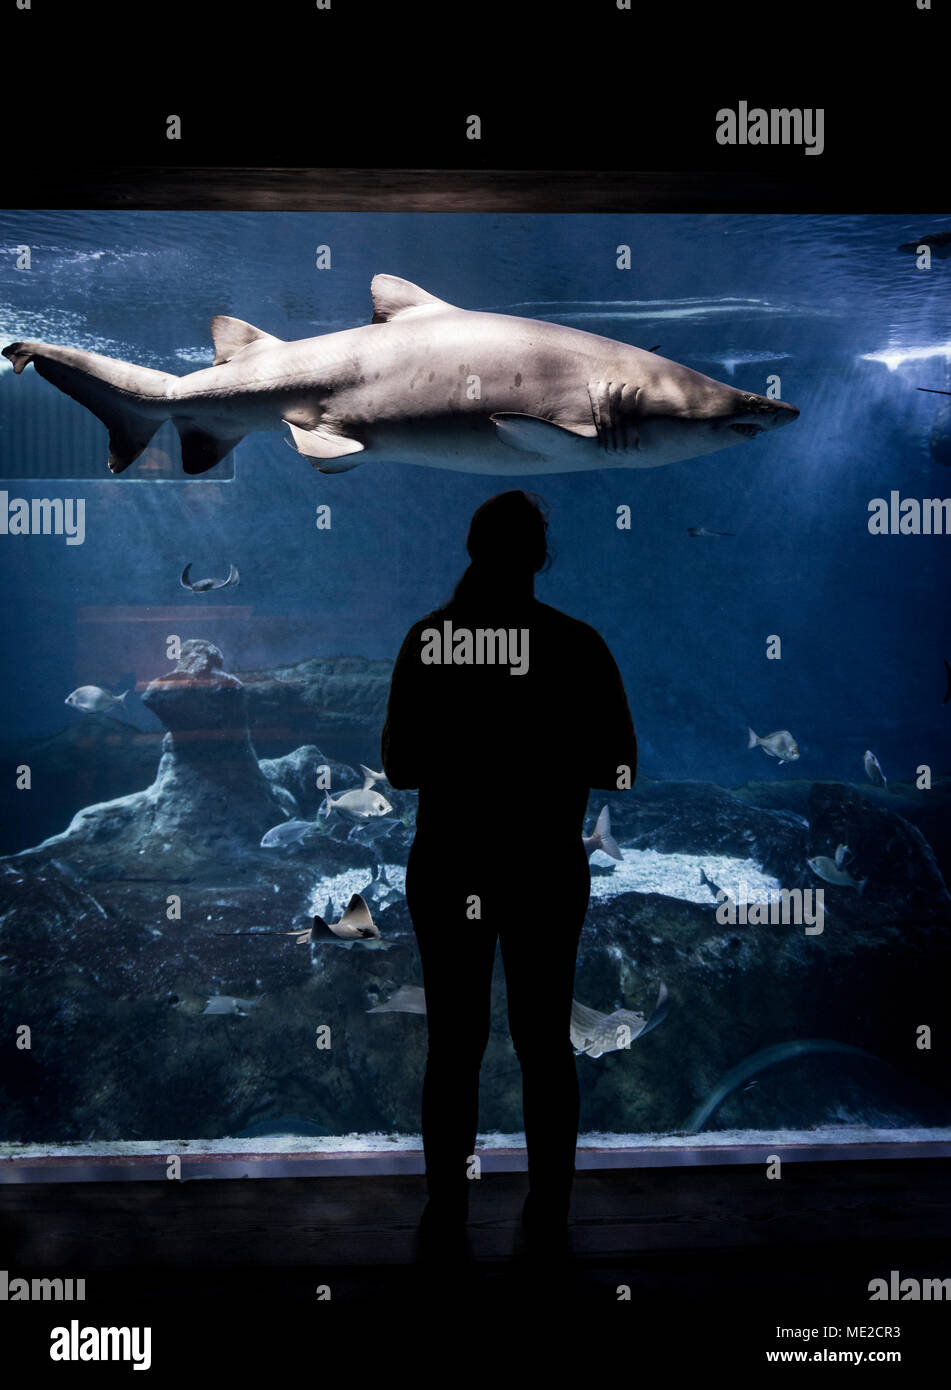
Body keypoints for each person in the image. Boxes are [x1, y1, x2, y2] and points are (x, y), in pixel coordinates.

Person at [381, 490, 637, 1267]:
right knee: (544, 1041)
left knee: (453, 1042)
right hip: (542, 865)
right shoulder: (577, 644)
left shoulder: (430, 641)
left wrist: (470, 753)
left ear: (470, 546)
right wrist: (546, 752)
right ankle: (550, 1206)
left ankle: (446, 1202)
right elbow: (619, 772)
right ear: (539, 557)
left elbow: (399, 768)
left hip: (452, 858)